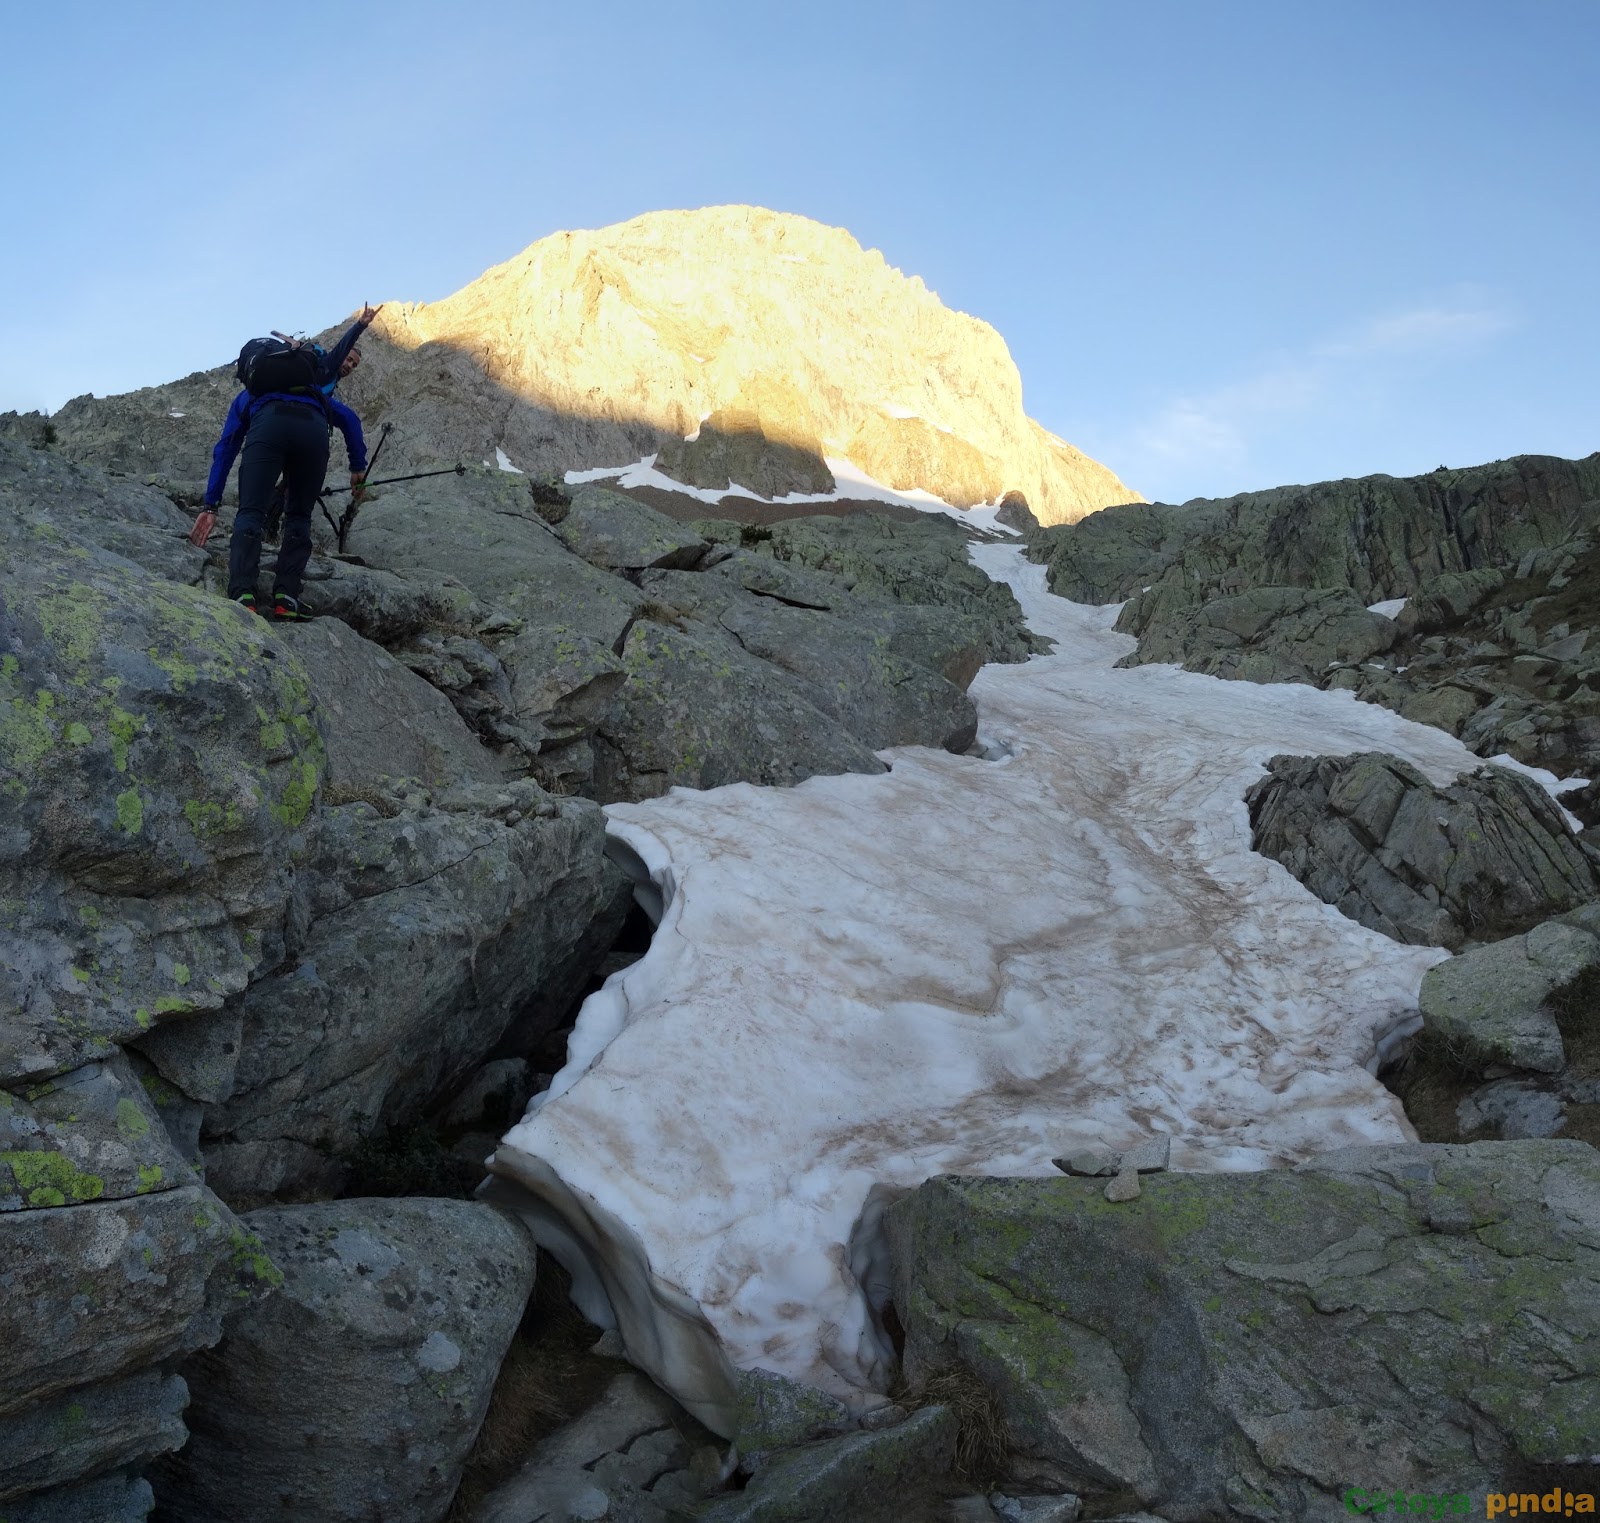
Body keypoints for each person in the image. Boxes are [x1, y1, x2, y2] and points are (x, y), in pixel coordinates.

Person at [201, 304, 380, 619]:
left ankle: (243, 592)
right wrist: (357, 468)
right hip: (313, 433)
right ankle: (286, 597)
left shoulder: (248, 396)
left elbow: (226, 448)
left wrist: (211, 504)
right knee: (299, 517)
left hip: (268, 428)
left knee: (251, 511)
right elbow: (350, 420)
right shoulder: (314, 392)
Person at [264, 344, 364, 544]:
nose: (350, 366)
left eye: (354, 364)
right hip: (298, 427)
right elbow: (350, 420)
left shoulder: (322, 376)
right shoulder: (322, 372)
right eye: (348, 359)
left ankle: (267, 528)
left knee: (288, 480)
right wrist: (358, 467)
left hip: (276, 422)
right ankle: (279, 535)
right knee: (296, 484)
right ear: (340, 354)